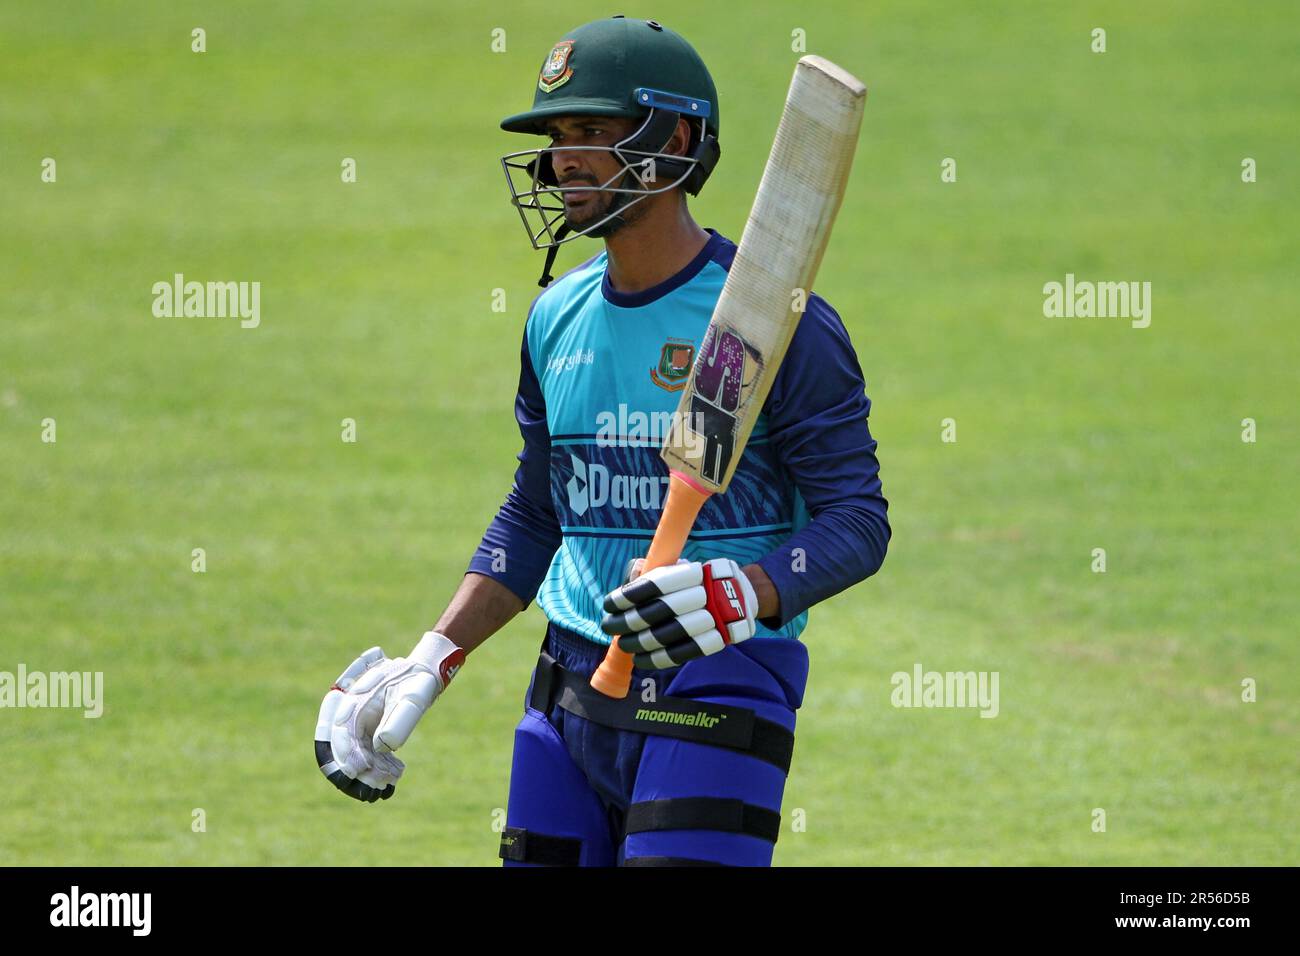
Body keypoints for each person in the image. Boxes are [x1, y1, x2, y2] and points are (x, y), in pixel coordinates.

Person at [315, 15, 890, 867]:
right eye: (556, 135)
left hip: (718, 681)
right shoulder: (555, 317)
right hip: (568, 692)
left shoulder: (781, 323)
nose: (561, 159)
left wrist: (745, 590)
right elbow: (537, 512)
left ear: (677, 139)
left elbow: (858, 522)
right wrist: (435, 654)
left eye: (591, 131)